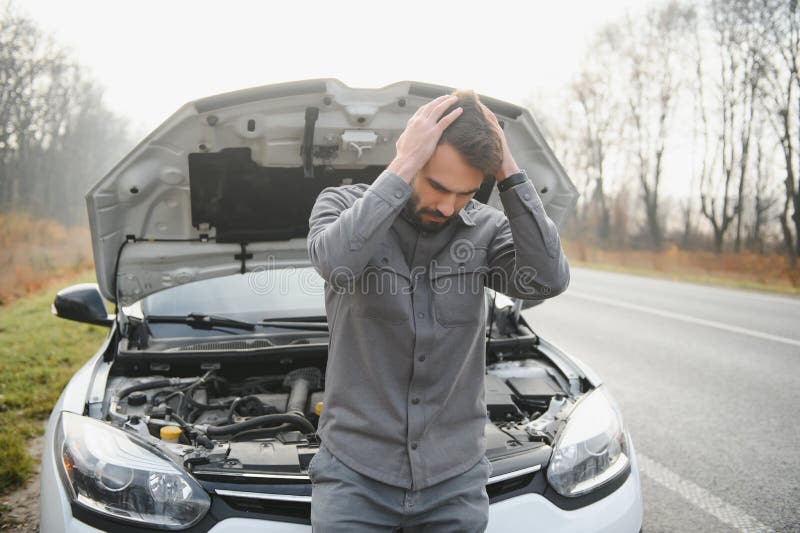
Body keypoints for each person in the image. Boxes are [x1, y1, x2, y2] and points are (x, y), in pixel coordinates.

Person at [305, 89, 570, 532]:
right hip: (354, 477)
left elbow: (548, 278)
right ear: (412, 158)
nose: (448, 206)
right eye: (438, 187)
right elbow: (336, 264)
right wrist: (403, 164)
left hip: (455, 481)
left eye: (465, 193)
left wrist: (509, 169)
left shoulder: (488, 230)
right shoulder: (341, 206)